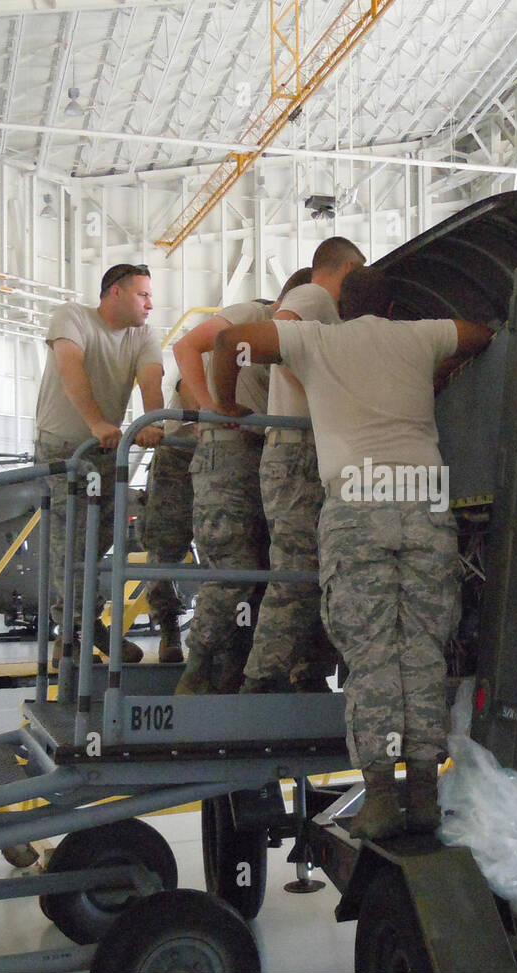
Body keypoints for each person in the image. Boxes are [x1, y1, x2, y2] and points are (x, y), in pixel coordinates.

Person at [211, 266, 493, 840]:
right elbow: (480, 334)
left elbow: (228, 342)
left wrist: (228, 407)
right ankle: (424, 795)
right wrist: (432, 375)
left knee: (372, 653)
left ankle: (383, 797)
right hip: (423, 503)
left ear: (340, 304)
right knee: (422, 648)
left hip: (358, 504)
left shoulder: (319, 339)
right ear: (392, 306)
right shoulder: (419, 336)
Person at [171, 268, 313, 692]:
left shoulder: (293, 335)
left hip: (265, 453)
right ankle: (197, 666)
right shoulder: (255, 314)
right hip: (230, 452)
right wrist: (213, 408)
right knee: (235, 568)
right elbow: (188, 346)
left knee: (264, 572)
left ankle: (235, 667)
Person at [235, 236, 365, 695]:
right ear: (347, 268)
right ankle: (260, 681)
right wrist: (317, 390)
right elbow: (283, 333)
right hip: (297, 450)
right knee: (296, 569)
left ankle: (305, 671)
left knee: (316, 569)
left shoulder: (323, 306)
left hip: (308, 450)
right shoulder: (313, 296)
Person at [35, 263, 165, 666]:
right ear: (115, 293)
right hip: (64, 449)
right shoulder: (72, 318)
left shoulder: (142, 335)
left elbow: (151, 382)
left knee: (100, 540)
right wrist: (96, 422)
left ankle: (83, 627)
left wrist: (151, 425)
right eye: (142, 294)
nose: (150, 303)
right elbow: (70, 369)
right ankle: (73, 634)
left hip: (106, 449)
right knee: (70, 541)